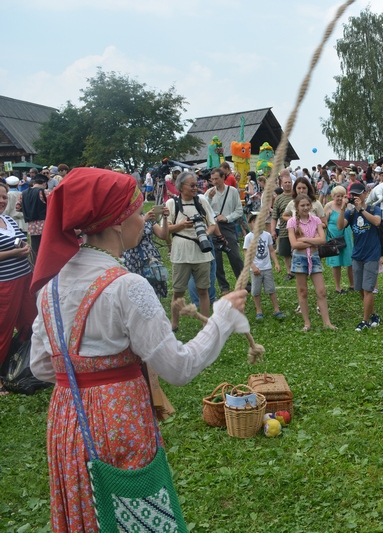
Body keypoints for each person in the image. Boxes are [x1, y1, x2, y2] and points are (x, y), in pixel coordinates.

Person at [28, 168, 248, 533]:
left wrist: (84, 374)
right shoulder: (128, 286)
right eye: (135, 210)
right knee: (135, 514)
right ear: (116, 222)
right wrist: (222, 317)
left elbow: (40, 365)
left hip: (68, 421)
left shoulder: (51, 285)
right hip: (120, 420)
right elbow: (179, 368)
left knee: (88, 513)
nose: (141, 219)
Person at [165, 171, 217, 330]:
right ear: (181, 187)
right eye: (192, 185)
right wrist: (181, 226)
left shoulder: (201, 201)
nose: (196, 188)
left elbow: (212, 224)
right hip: (181, 253)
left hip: (202, 251)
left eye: (197, 185)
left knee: (203, 290)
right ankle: (174, 323)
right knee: (178, 291)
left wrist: (204, 234)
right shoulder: (171, 204)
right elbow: (165, 229)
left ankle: (205, 323)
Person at [0, 182, 37, 383]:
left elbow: (20, 240)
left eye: (4, 197)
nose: (2, 201)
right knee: (3, 327)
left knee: (30, 321)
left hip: (24, 276)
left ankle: (22, 363)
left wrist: (24, 248)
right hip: (4, 283)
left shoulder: (8, 219)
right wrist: (15, 252)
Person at [337, 181, 382, 331]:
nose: (355, 196)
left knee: (368, 288)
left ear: (365, 194)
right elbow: (340, 226)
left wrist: (361, 209)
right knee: (361, 289)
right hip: (357, 255)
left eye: (358, 194)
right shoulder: (350, 213)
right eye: (353, 195)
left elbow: (376, 222)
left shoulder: (374, 209)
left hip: (372, 254)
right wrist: (343, 209)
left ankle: (365, 320)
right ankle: (374, 314)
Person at [287, 194, 335, 331]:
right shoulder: (291, 222)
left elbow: (323, 240)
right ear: (297, 207)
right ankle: (307, 323)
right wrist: (313, 240)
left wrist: (304, 240)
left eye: (308, 205)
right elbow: (294, 244)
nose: (305, 208)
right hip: (299, 259)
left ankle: (327, 322)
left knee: (321, 291)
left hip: (314, 257)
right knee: (303, 292)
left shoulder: (316, 220)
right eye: (302, 205)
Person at [204, 168, 244, 295]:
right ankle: (223, 286)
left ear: (223, 178)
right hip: (213, 225)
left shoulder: (232, 191)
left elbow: (239, 210)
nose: (214, 181)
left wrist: (227, 218)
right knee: (217, 259)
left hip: (227, 225)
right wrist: (209, 199)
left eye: (217, 179)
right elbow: (204, 209)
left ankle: (243, 283)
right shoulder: (208, 193)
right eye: (212, 179)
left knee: (235, 256)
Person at [121, 206, 171, 298]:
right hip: (134, 259)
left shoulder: (146, 216)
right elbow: (133, 240)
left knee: (154, 289)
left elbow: (163, 235)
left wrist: (164, 218)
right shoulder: (124, 219)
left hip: (151, 259)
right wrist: (143, 220)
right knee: (138, 292)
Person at [243, 212, 283, 321]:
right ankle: (258, 310)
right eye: (255, 221)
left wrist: (276, 263)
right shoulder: (249, 237)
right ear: (251, 223)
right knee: (256, 291)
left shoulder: (267, 235)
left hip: (267, 267)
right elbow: (247, 253)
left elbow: (271, 250)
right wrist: (253, 266)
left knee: (271, 289)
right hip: (256, 269)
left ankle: (276, 309)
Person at [271, 170, 295, 279]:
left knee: (298, 250)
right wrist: (272, 231)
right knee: (286, 253)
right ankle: (289, 272)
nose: (287, 184)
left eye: (289, 182)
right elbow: (274, 216)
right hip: (284, 229)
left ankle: (299, 270)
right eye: (285, 183)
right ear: (282, 184)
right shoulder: (278, 199)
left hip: (297, 229)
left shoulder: (297, 196)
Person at [19, 172, 48, 259]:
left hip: (31, 225)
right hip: (44, 223)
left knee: (35, 248)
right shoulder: (44, 192)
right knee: (46, 248)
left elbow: (18, 207)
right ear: (44, 183)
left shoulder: (23, 193)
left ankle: (35, 267)